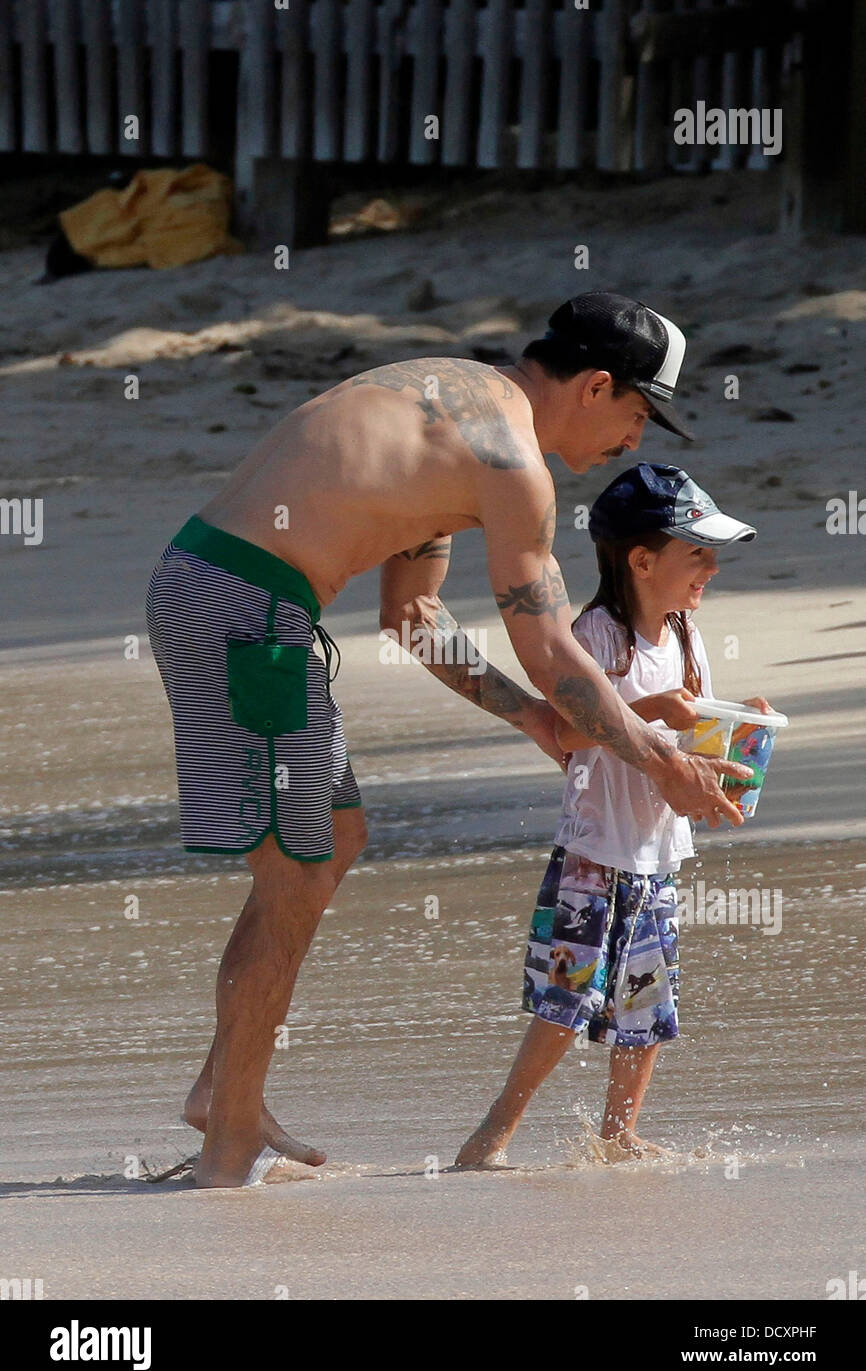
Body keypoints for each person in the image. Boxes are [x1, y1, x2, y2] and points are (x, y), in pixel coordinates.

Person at [145, 292, 755, 1187]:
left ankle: (218, 1091)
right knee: (295, 870)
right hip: (244, 609)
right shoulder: (510, 460)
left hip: (235, 596)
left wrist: (540, 722)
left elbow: (413, 615)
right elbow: (552, 649)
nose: (634, 441)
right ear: (594, 386)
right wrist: (664, 762)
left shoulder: (447, 401)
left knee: (333, 842)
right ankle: (229, 1138)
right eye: (637, 413)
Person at [455, 463, 774, 1167]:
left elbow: (691, 744)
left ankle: (618, 1134)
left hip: (657, 854)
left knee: (646, 1009)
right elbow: (569, 736)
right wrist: (652, 710)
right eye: (698, 553)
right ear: (640, 559)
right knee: (563, 1003)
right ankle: (492, 1136)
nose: (712, 568)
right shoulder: (597, 635)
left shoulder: (686, 637)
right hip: (596, 853)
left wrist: (736, 728)